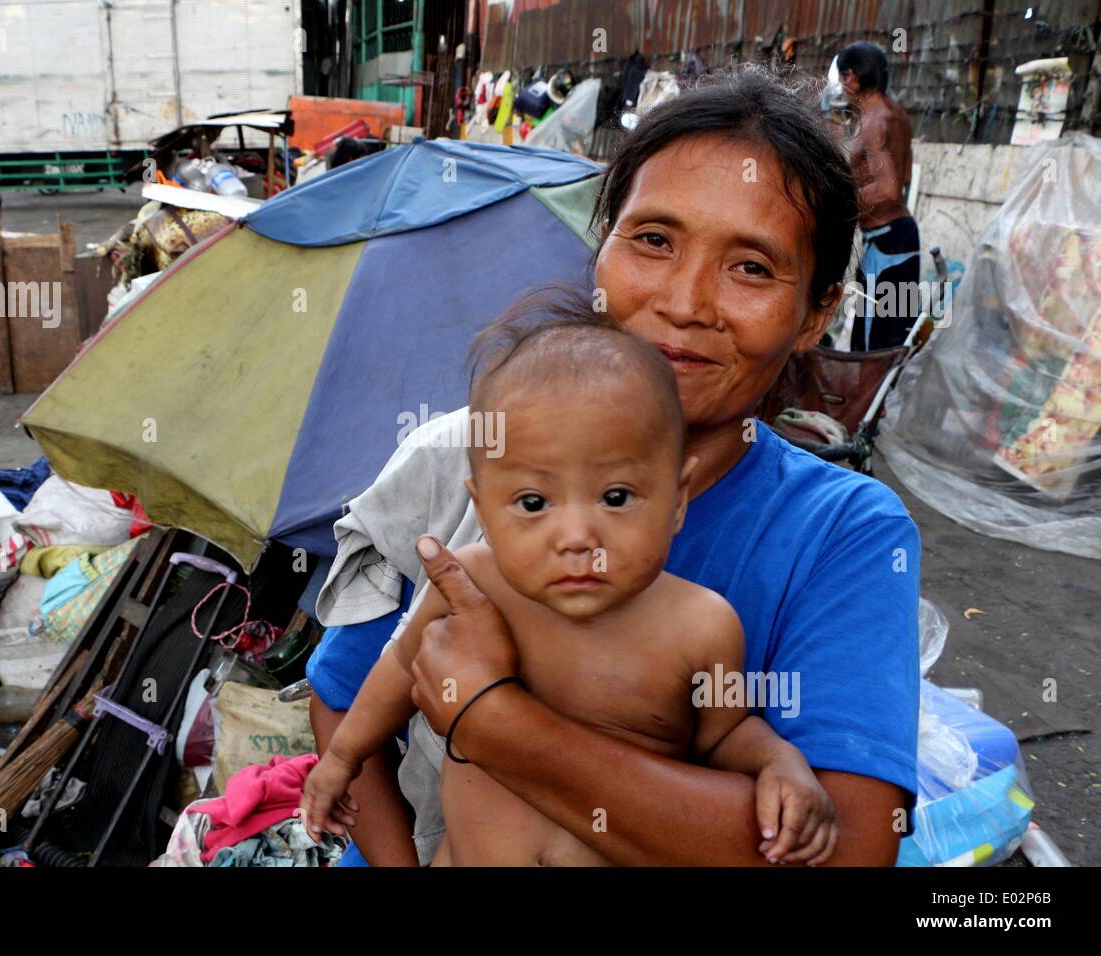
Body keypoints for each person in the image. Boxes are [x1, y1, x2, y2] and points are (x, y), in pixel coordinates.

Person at [307, 65, 920, 867]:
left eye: (752, 267)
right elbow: (346, 696)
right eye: (654, 240)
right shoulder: (464, 451)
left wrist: (494, 722)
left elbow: (846, 851)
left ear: (818, 313)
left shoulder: (842, 535)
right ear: (601, 251)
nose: (687, 301)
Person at [301, 297, 839, 866]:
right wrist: (341, 761)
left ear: (676, 500)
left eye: (616, 497)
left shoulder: (701, 627)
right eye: (534, 502)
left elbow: (725, 737)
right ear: (483, 506)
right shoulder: (473, 581)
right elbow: (397, 670)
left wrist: (779, 763)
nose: (577, 536)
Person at [836, 41, 921, 351]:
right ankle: (885, 401)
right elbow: (906, 177)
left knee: (872, 348)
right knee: (894, 341)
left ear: (853, 78)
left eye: (844, 77)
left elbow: (887, 189)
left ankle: (871, 401)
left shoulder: (873, 121)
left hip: (885, 244)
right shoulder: (897, 114)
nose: (843, 86)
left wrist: (840, 202)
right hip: (902, 238)